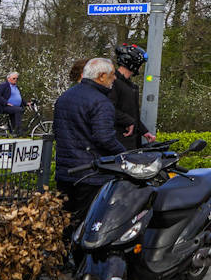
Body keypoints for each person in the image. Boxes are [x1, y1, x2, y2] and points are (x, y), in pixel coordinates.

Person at [52, 57, 129, 234]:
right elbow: (104, 139)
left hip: (65, 172)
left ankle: (64, 258)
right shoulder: (101, 102)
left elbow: (59, 131)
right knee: (87, 225)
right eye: (111, 75)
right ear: (101, 76)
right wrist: (125, 154)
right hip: (91, 173)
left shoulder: (65, 97)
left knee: (66, 221)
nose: (115, 79)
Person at [110, 44, 146, 148]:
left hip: (130, 140)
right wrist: (128, 121)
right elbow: (109, 109)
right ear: (133, 63)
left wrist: (144, 131)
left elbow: (132, 113)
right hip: (120, 138)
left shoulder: (129, 85)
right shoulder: (113, 82)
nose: (141, 67)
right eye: (140, 64)